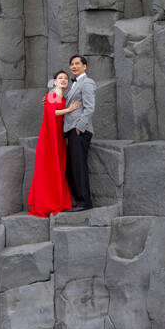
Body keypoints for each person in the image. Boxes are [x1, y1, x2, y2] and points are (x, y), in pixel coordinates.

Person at [27, 70, 72, 217]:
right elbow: (51, 113)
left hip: (58, 137)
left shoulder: (62, 97)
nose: (63, 80)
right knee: (49, 167)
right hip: (49, 137)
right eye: (60, 78)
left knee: (58, 166)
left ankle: (56, 200)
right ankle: (48, 202)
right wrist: (69, 109)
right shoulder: (52, 95)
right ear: (54, 82)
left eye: (65, 78)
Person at [62, 54, 95, 211]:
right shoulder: (73, 85)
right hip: (70, 131)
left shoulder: (87, 82)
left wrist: (79, 127)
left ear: (84, 66)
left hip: (79, 131)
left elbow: (90, 107)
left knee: (78, 166)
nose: (73, 66)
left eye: (77, 63)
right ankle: (79, 200)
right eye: (71, 64)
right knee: (70, 168)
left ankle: (84, 202)